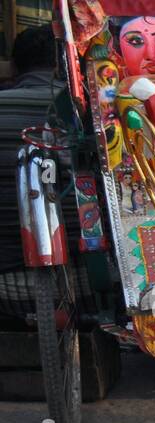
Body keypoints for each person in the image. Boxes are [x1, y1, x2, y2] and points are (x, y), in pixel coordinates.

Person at [0, 26, 63, 275]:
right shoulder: (87, 112)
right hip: (88, 280)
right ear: (63, 65)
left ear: (14, 67)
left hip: (5, 277)